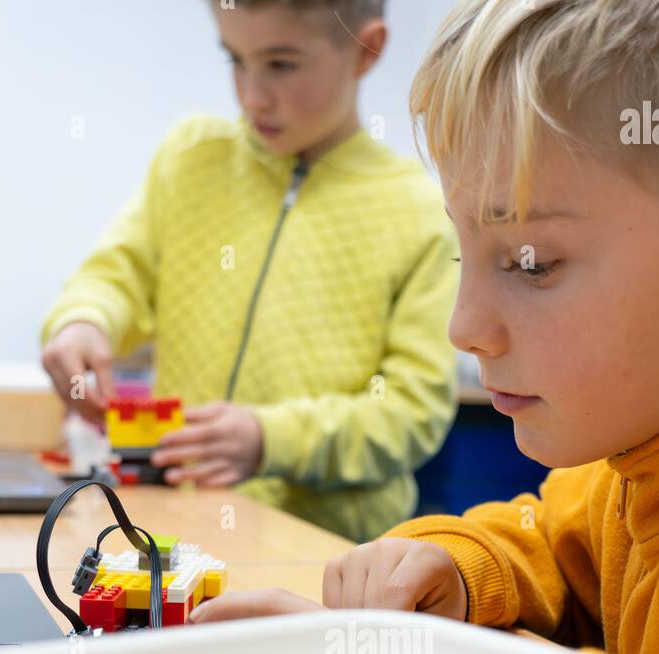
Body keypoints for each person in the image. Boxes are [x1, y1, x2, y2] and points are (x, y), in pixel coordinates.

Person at [196, 0, 659, 654]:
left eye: (531, 263)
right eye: (467, 254)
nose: (464, 328)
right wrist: (452, 567)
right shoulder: (647, 454)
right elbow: (547, 542)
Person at [41, 0, 459, 542]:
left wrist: (271, 439)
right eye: (235, 59)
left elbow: (412, 411)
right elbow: (115, 274)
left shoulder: (419, 212)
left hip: (325, 556)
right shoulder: (191, 158)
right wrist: (83, 320)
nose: (252, 95)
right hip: (171, 529)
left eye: (281, 64)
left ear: (365, 49)